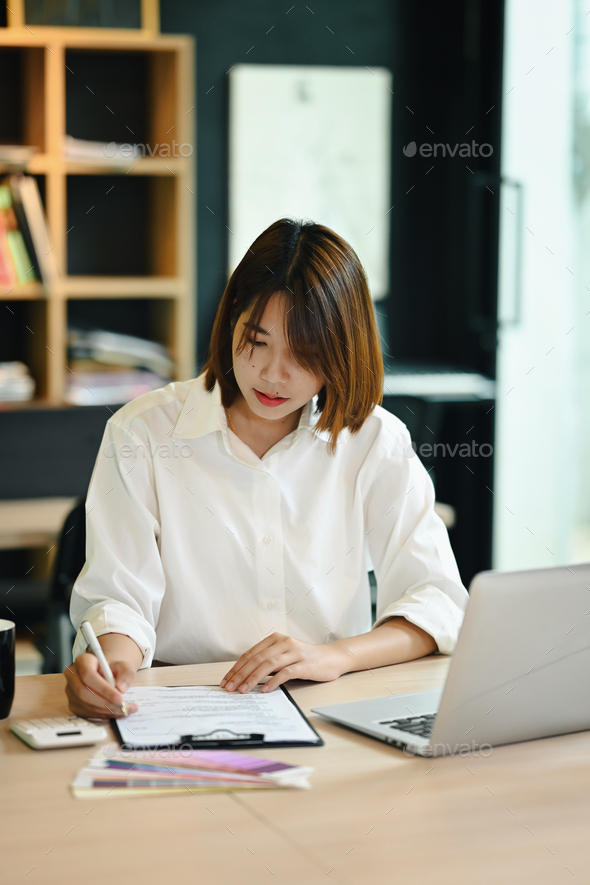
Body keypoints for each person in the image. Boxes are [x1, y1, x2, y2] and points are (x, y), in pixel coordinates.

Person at [65, 218, 469, 720]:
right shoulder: (142, 433)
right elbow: (119, 597)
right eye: (256, 341)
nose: (274, 375)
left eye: (305, 355)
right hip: (182, 705)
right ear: (231, 318)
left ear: (341, 352)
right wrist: (112, 668)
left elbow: (436, 599)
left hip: (330, 705)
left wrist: (332, 657)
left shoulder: (372, 439)